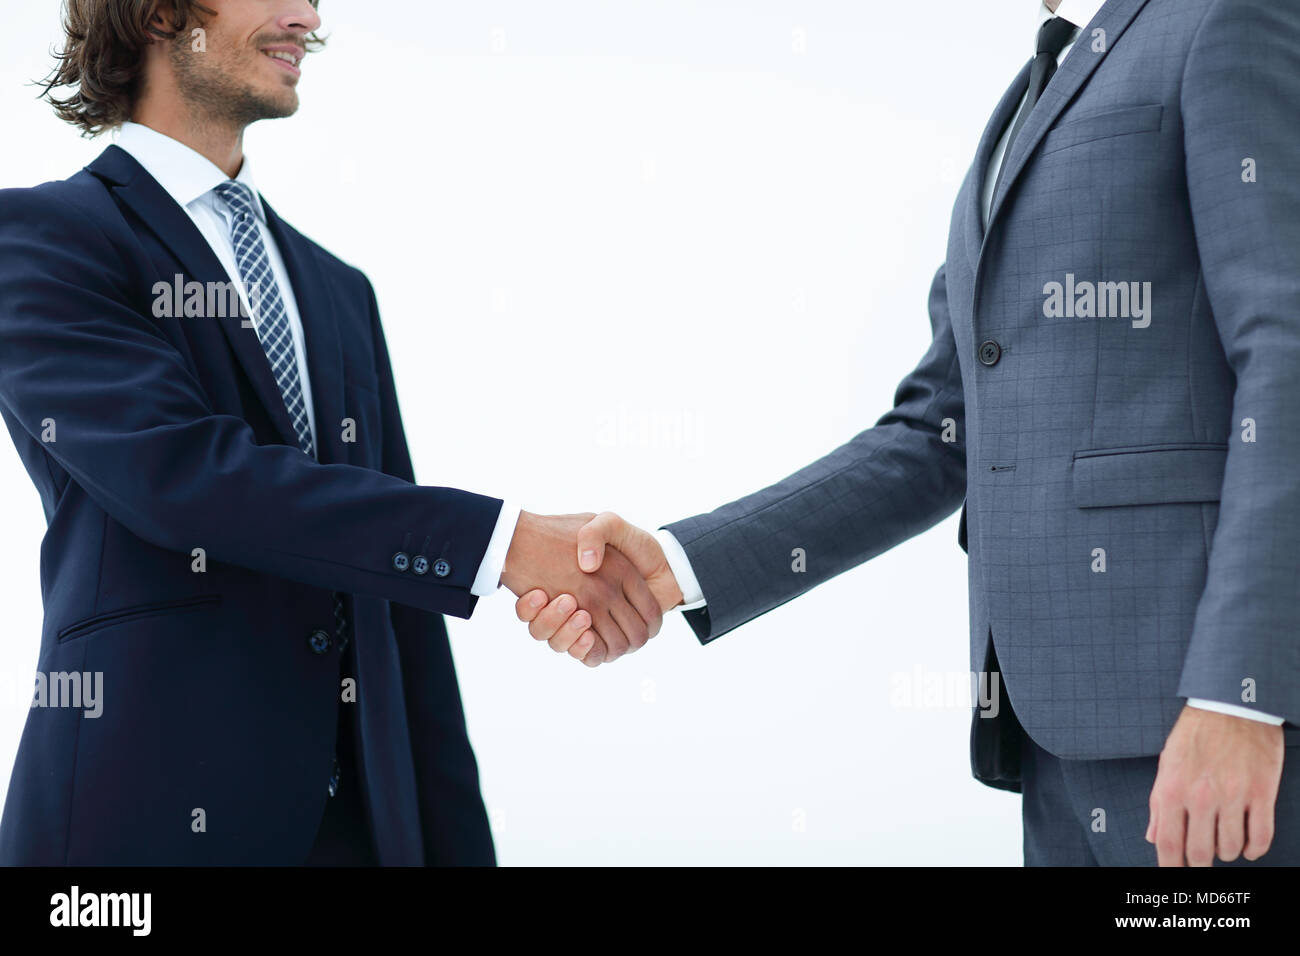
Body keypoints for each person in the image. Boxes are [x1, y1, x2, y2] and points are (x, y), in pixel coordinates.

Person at [523, 0, 1300, 867]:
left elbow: (1287, 357)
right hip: (1048, 741)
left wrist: (1242, 693)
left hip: (1210, 730)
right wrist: (676, 565)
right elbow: (935, 432)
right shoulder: (1026, 99)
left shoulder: (1224, 19)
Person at [0, 0, 660, 865]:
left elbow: (401, 615)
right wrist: (505, 544)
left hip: (362, 828)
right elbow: (185, 478)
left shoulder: (338, 288)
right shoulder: (43, 237)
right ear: (157, 13)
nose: (307, 15)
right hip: (143, 817)